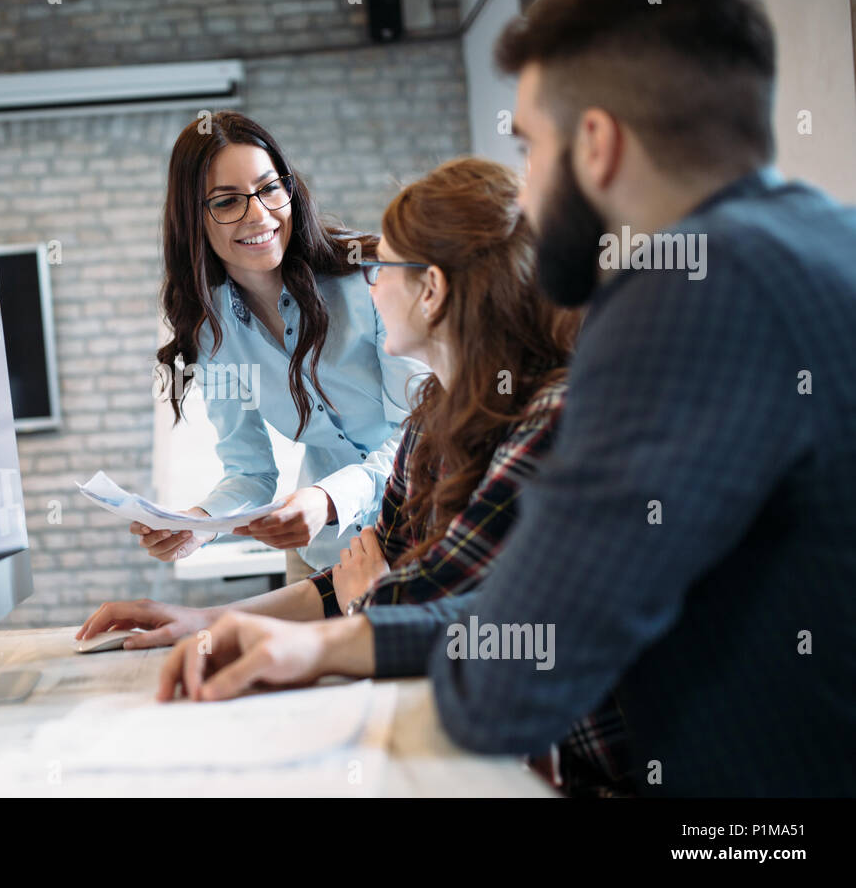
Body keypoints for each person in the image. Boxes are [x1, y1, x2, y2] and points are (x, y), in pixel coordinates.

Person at [152, 0, 856, 797]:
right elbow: (541, 618)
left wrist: (361, 613)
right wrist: (323, 633)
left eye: (528, 147)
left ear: (596, 143)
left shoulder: (672, 310)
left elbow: (511, 677)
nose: (522, 193)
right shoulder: (823, 245)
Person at [80, 159, 627, 794]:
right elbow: (375, 581)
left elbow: (434, 605)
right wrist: (206, 620)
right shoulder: (431, 421)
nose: (370, 284)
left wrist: (368, 600)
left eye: (384, 268)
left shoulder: (553, 421)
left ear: (432, 292)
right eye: (227, 200)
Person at [139, 111, 426, 584]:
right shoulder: (213, 330)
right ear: (194, 219)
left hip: (422, 536)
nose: (259, 215)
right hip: (325, 556)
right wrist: (200, 524)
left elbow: (417, 437)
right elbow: (249, 472)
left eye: (270, 188)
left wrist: (328, 499)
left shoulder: (370, 278)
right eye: (228, 201)